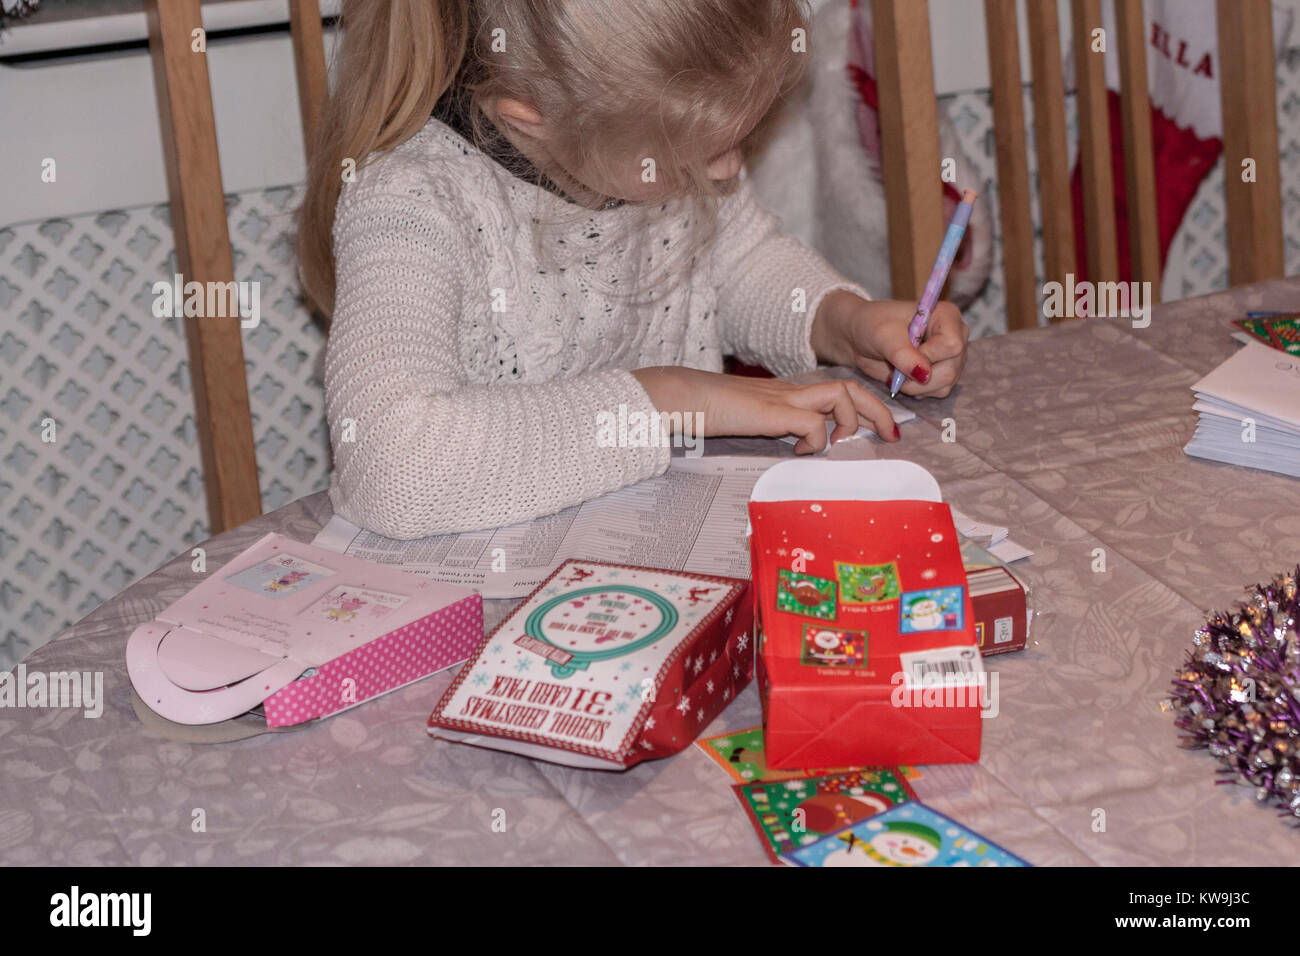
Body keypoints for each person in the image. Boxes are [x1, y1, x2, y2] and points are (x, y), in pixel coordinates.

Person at [296, 0, 970, 539]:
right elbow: (392, 466)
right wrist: (669, 398)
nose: (727, 171)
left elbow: (738, 261)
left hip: (660, 551)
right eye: (691, 156)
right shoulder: (411, 200)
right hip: (491, 606)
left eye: (738, 139)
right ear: (532, 121)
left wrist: (841, 320)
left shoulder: (630, 129)